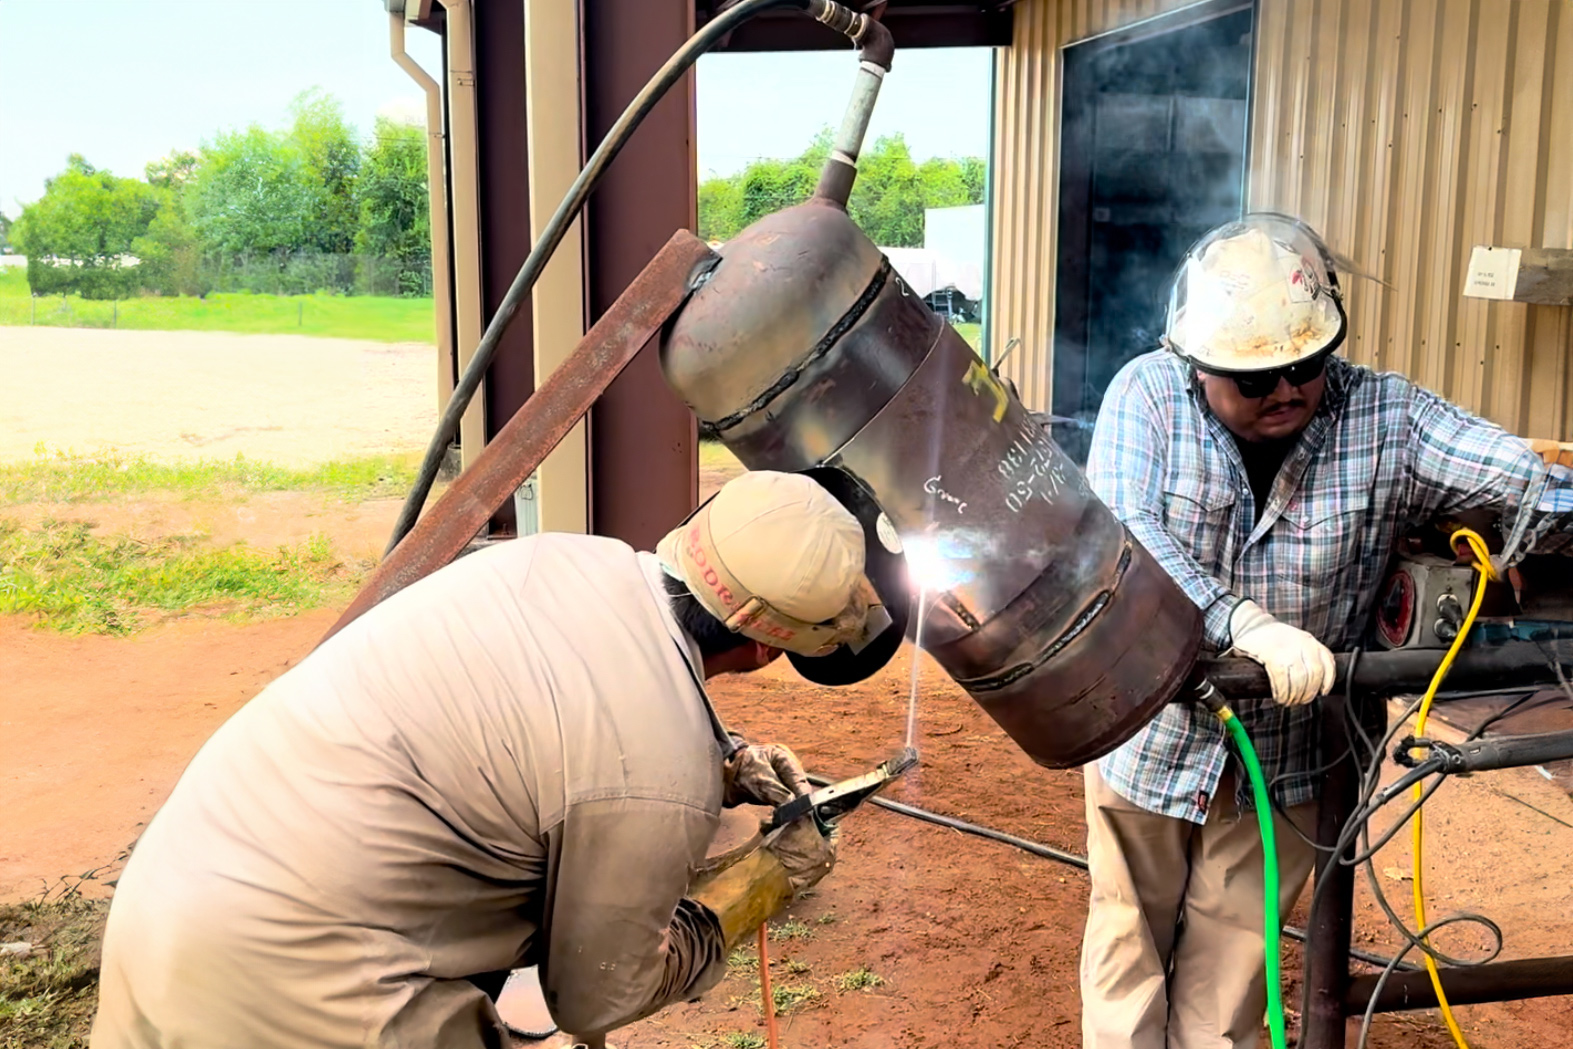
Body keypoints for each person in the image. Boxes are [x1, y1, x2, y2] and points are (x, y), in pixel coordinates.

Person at [92, 470, 885, 1049]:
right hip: (302, 990)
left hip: (166, 909)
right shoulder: (654, 774)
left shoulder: (557, 560)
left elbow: (535, 726)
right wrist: (763, 882)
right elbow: (598, 993)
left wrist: (725, 758)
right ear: (765, 649)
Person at [1078, 212, 1572, 1049]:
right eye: (1255, 378)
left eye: (1303, 367)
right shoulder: (1145, 397)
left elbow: (1522, 480)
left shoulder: (1385, 416)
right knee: (1128, 941)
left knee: (1231, 969)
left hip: (1292, 757)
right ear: (1196, 366)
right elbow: (1124, 538)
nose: (1285, 391)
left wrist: (1545, 514)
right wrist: (1240, 622)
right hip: (1149, 735)